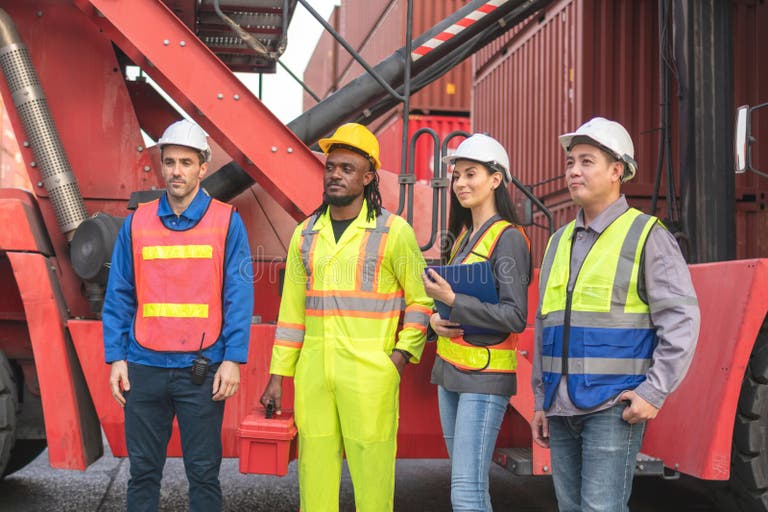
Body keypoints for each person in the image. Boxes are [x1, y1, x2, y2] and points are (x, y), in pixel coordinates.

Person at [259, 123, 433, 511]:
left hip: (370, 374)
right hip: (314, 374)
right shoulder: (305, 234)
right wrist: (277, 377)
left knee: (372, 478)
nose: (335, 174)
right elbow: (291, 312)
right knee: (314, 477)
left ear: (369, 177)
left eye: (347, 168)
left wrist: (399, 358)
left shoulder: (394, 232)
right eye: (331, 167)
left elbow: (421, 301)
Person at [531, 117, 700, 511]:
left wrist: (653, 392)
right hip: (560, 405)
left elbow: (681, 319)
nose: (573, 170)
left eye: (586, 161)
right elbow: (546, 325)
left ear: (617, 170)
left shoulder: (646, 235)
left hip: (613, 406)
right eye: (570, 162)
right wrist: (541, 401)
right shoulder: (557, 242)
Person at [102, 119, 254, 512]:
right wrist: (116, 357)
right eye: (170, 162)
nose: (176, 171)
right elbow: (119, 292)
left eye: (186, 163)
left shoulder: (226, 222)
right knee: (143, 473)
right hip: (143, 366)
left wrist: (234, 360)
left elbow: (239, 295)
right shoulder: (137, 222)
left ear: (203, 167)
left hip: (200, 371)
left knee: (203, 474)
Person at [422, 133, 530, 511]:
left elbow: (515, 316)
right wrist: (437, 319)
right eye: (456, 176)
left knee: (466, 492)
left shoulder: (509, 239)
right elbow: (451, 302)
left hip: (484, 378)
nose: (460, 183)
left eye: (471, 174)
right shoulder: (463, 235)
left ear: (496, 179)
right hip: (451, 371)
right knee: (467, 485)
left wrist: (453, 300)